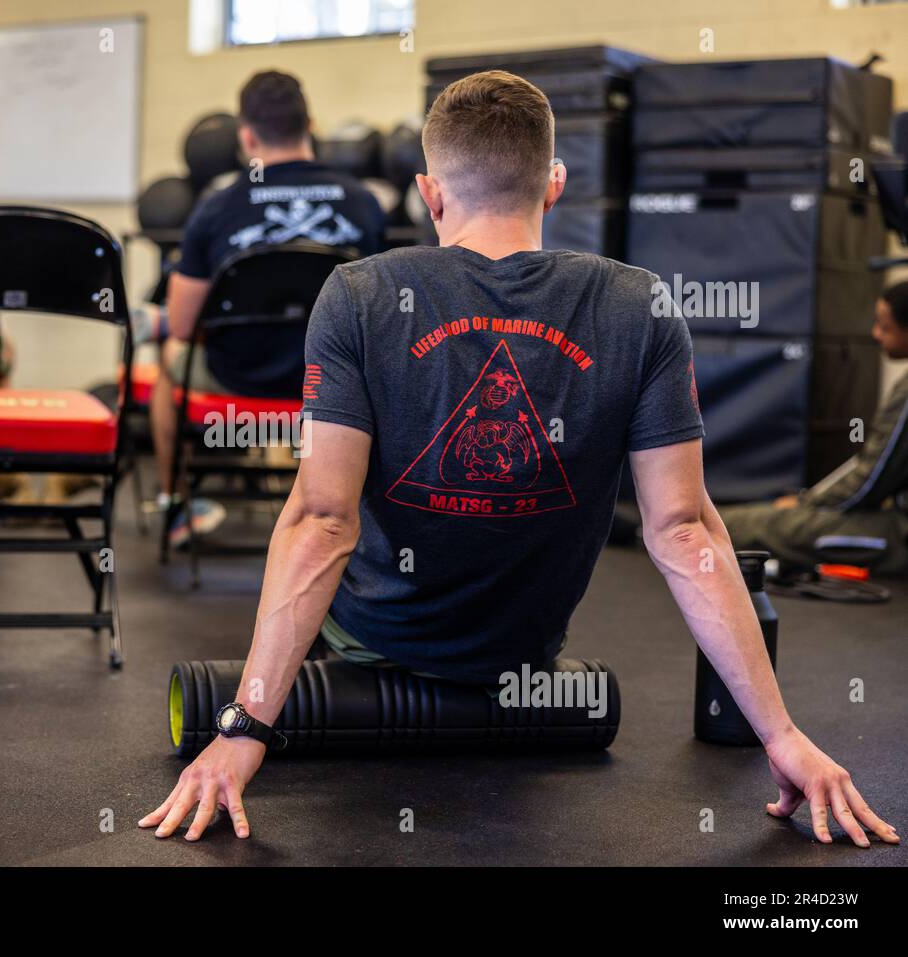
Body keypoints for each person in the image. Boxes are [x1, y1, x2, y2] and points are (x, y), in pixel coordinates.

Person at [139, 70, 899, 847]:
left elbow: (321, 519)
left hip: (370, 641)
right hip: (525, 664)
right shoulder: (640, 305)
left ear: (429, 194)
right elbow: (686, 532)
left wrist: (243, 723)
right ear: (556, 185)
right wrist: (782, 735)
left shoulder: (359, 294)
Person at [150, 70, 388, 547]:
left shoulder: (217, 207)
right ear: (311, 127)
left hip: (240, 374)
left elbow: (180, 324)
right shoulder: (363, 203)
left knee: (165, 370)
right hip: (332, 385)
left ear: (246, 136)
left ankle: (175, 507)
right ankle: (355, 516)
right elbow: (375, 314)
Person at [719, 280, 908, 573]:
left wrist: (805, 504)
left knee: (772, 527)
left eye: (885, 326)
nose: (875, 334)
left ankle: (652, 532)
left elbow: (867, 484)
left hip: (899, 536)